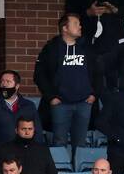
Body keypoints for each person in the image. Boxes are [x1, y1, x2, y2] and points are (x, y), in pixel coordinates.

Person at [34, 13, 98, 162]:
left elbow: (98, 73)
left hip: (84, 103)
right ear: (65, 28)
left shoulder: (87, 48)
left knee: (80, 145)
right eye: (76, 23)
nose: (80, 26)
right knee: (59, 143)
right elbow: (39, 75)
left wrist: (93, 94)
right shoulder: (51, 48)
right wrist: (51, 97)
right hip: (60, 104)